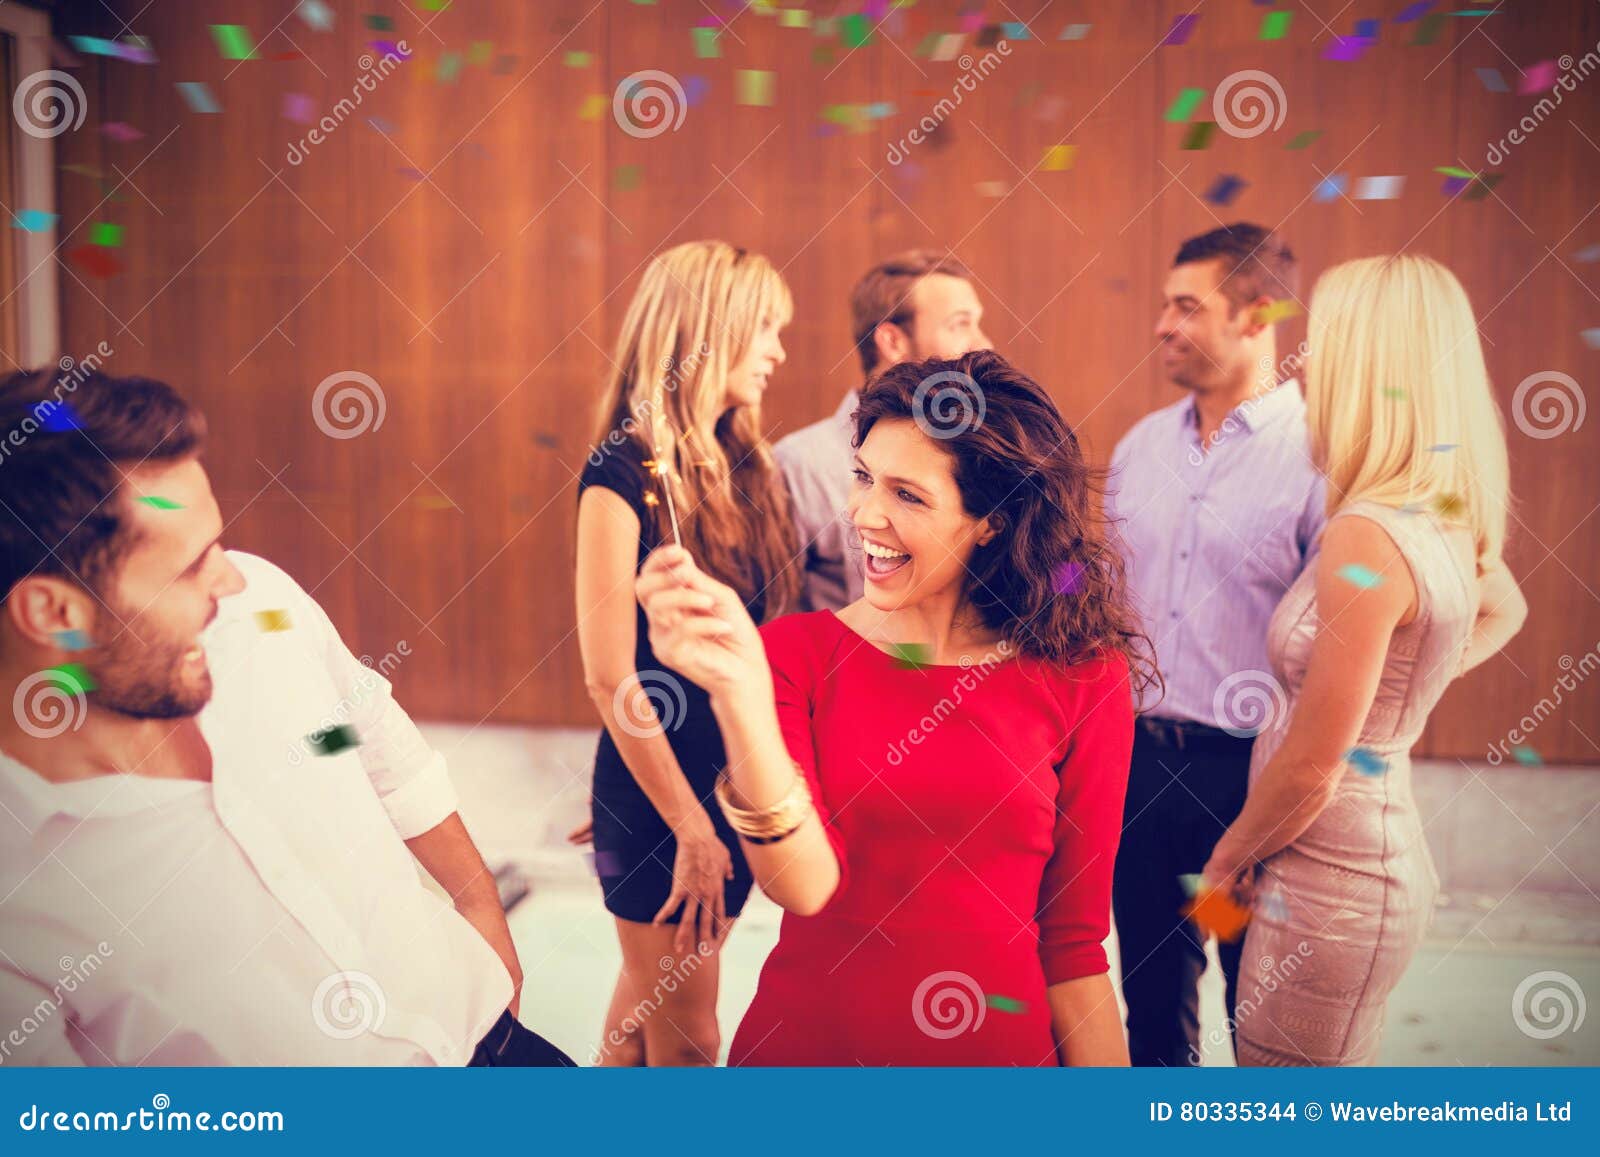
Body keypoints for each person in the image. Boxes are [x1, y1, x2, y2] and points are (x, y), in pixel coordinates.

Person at [0, 369, 572, 1066]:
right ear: (54, 614)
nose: (232, 578)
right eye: (188, 567)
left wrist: (482, 912)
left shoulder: (258, 608)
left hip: (491, 1043)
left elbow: (384, 745)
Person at [636, 350, 1151, 1066]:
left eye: (907, 494)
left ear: (991, 522)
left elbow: (1073, 945)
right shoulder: (794, 655)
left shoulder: (1085, 677)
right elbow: (803, 883)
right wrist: (737, 693)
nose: (864, 513)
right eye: (863, 477)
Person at [1201, 254, 1526, 1065]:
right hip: (1355, 863)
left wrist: (1227, 858)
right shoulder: (1439, 502)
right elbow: (1504, 606)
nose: (1306, 370)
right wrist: (1393, 706)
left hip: (1329, 882)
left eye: (1323, 347)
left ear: (1370, 366)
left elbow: (1316, 763)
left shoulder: (1368, 533)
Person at [575, 240, 801, 1066]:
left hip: (723, 787)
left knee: (644, 1020)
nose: (779, 350)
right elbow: (610, 674)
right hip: (670, 806)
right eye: (766, 329)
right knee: (691, 1039)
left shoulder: (748, 466)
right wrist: (676, 817)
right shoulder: (622, 471)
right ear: (714, 328)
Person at [1104, 222, 1324, 1066]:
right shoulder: (1137, 449)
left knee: (1253, 1002)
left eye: (1186, 307)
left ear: (1258, 312)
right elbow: (1096, 596)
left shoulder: (1319, 460)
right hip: (1139, 772)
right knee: (1152, 1008)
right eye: (1165, 305)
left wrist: (1284, 808)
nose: (1163, 324)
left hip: (1249, 781)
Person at [776, 249, 991, 612]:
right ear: (892, 341)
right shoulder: (799, 464)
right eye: (959, 324)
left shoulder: (981, 455)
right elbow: (776, 618)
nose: (983, 344)